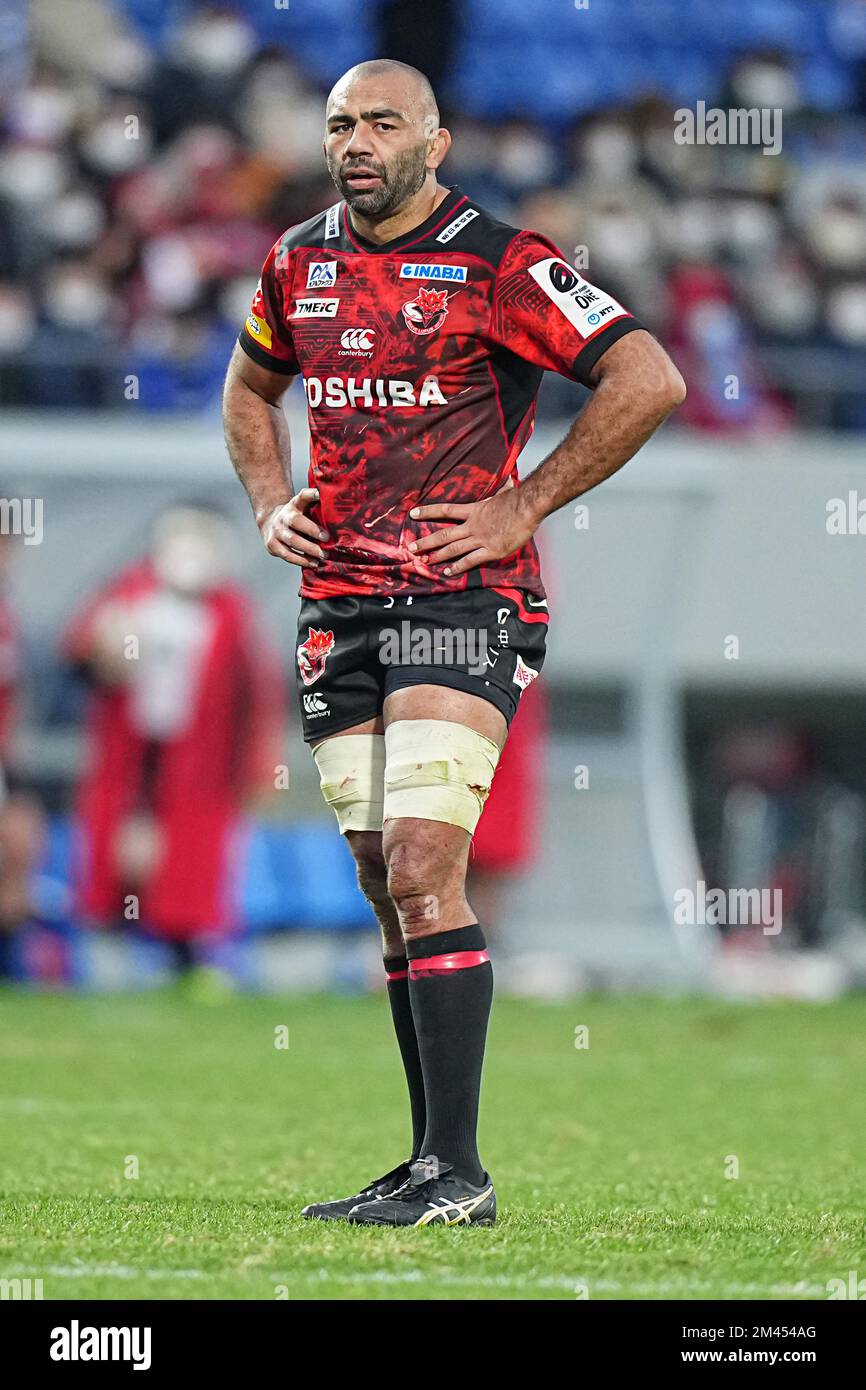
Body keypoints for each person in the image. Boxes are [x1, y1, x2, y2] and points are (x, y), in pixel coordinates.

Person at [223, 59, 685, 1226]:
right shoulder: (296, 259)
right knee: (385, 880)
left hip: (460, 597)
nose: (357, 140)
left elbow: (648, 376)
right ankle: (427, 1160)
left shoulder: (502, 261)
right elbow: (247, 390)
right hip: (336, 600)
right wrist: (268, 497)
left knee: (428, 866)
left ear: (434, 142)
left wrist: (523, 504)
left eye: (383, 121)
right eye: (339, 124)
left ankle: (460, 1173)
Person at [63, 504, 284, 984]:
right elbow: (82, 655)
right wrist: (102, 647)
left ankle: (187, 961)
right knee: (115, 858)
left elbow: (257, 697)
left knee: (189, 867)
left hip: (199, 766)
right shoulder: (126, 598)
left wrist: (259, 766)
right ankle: (108, 961)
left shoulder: (232, 615)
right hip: (128, 757)